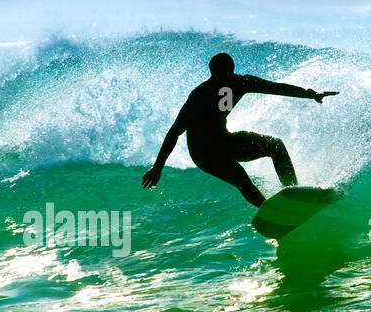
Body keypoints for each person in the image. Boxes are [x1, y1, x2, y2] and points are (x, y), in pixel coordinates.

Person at [141, 52, 338, 208]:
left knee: (276, 146)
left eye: (226, 75)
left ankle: (293, 194)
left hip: (224, 140)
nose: (223, 80)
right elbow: (174, 131)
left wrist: (311, 94)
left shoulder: (241, 82)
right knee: (240, 177)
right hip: (202, 151)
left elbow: (277, 88)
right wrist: (158, 167)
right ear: (212, 74)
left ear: (232, 71)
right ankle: (268, 210)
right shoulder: (200, 94)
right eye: (218, 76)